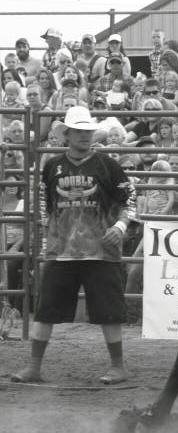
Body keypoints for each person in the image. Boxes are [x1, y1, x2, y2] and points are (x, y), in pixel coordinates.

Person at [11, 106, 136, 384]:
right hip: (62, 251)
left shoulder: (109, 166)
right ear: (67, 134)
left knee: (109, 312)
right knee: (46, 310)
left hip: (101, 251)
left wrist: (120, 226)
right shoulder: (52, 166)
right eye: (78, 131)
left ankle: (118, 367)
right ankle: (34, 367)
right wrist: (48, 233)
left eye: (87, 131)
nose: (84, 135)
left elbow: (130, 199)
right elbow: (44, 203)